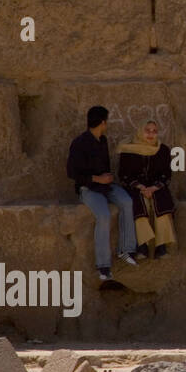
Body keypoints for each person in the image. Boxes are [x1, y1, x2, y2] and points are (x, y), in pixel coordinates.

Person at [66, 106, 138, 281]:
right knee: (104, 215)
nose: (108, 124)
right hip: (89, 188)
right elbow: (72, 173)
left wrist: (107, 177)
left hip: (106, 186)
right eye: (107, 121)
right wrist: (98, 179)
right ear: (103, 122)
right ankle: (104, 266)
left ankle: (125, 249)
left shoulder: (102, 140)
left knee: (127, 201)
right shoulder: (79, 143)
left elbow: (104, 167)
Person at [117, 120, 177, 260]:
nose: (151, 134)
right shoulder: (128, 149)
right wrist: (141, 187)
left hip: (156, 187)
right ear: (140, 131)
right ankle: (142, 245)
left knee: (161, 205)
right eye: (147, 130)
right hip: (136, 187)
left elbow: (167, 174)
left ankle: (161, 246)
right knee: (138, 206)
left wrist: (154, 188)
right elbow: (123, 175)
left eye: (154, 131)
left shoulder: (163, 149)